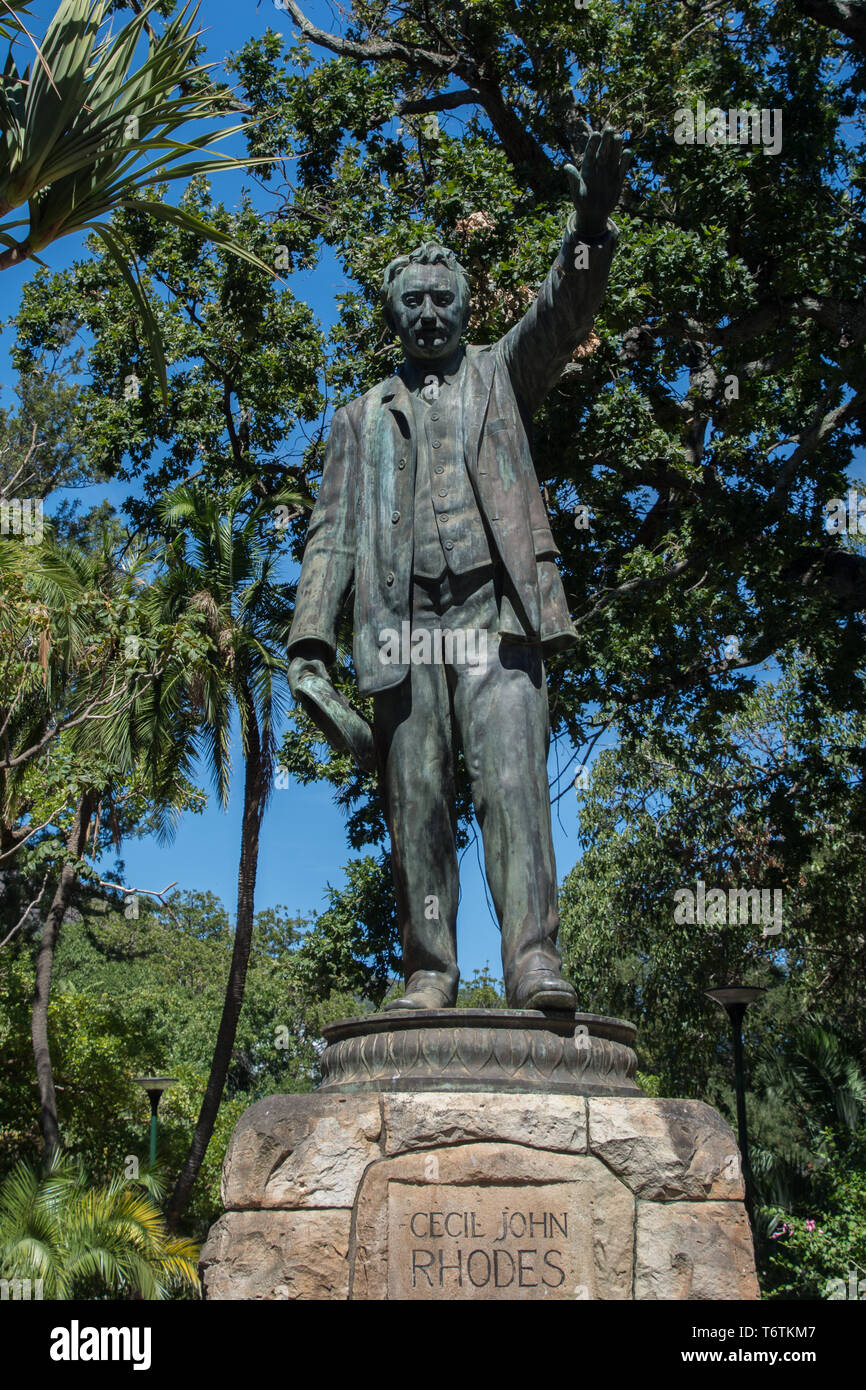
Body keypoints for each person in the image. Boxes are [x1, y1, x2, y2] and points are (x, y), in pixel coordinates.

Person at [289, 130, 630, 1012]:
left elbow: (564, 312)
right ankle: (429, 971)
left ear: (467, 308)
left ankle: (533, 963)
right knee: (420, 805)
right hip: (402, 634)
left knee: (514, 791)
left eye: (445, 297)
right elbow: (329, 535)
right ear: (394, 315)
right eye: (416, 302)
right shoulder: (359, 419)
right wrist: (310, 641)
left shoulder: (500, 377)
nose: (432, 311)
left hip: (495, 621)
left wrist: (588, 222)